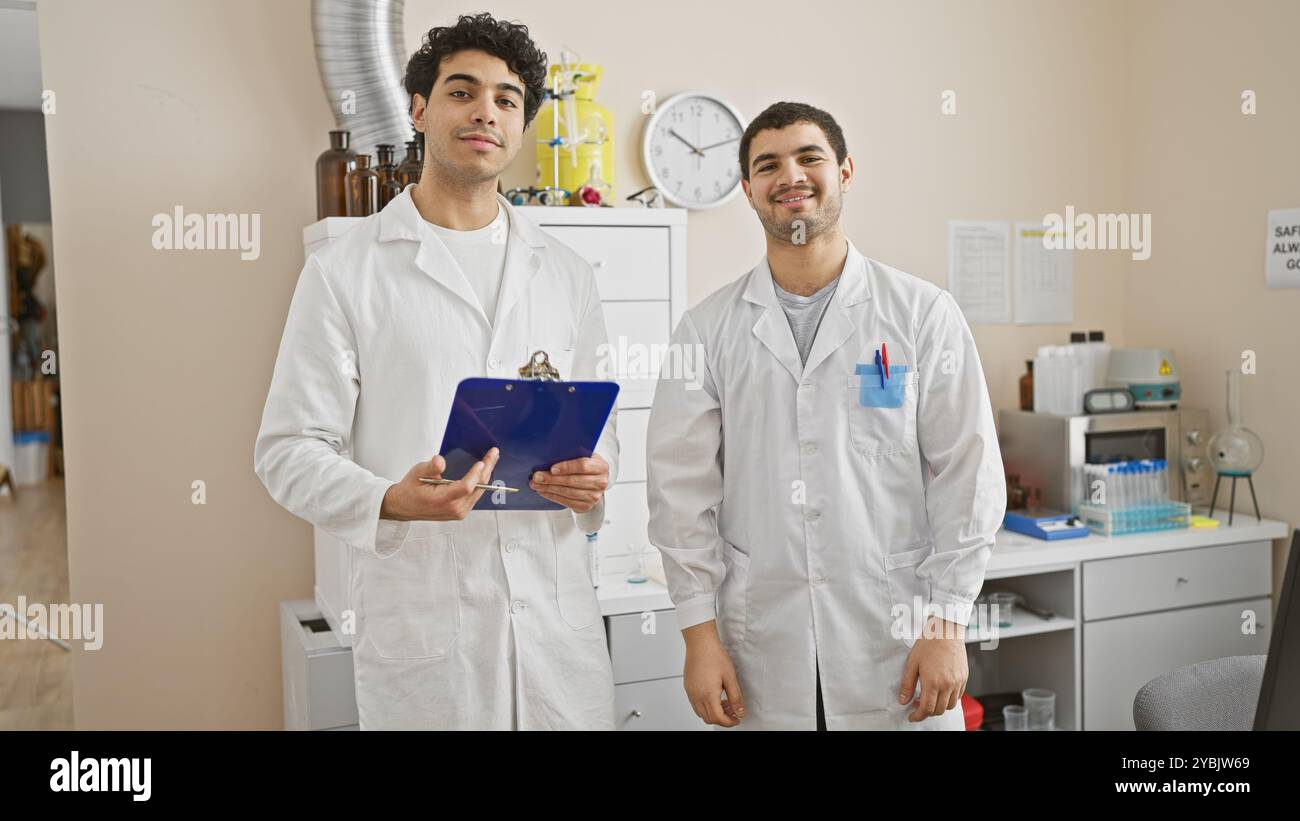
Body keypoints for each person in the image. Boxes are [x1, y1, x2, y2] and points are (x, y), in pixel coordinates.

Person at [255, 13, 618, 730]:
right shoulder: (345, 271)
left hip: (557, 633)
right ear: (419, 109)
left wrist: (594, 476)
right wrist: (389, 499)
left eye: (508, 100)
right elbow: (286, 450)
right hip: (429, 645)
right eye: (463, 91)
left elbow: (603, 427)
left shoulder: (567, 274)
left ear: (520, 127)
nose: (487, 110)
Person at [645, 101, 1006, 730]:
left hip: (896, 637)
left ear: (844, 170)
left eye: (809, 157)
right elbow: (680, 496)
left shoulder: (922, 314)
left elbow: (968, 474)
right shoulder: (705, 329)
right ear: (748, 189)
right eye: (768, 165)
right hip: (762, 649)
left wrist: (948, 622)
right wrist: (698, 640)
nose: (791, 176)